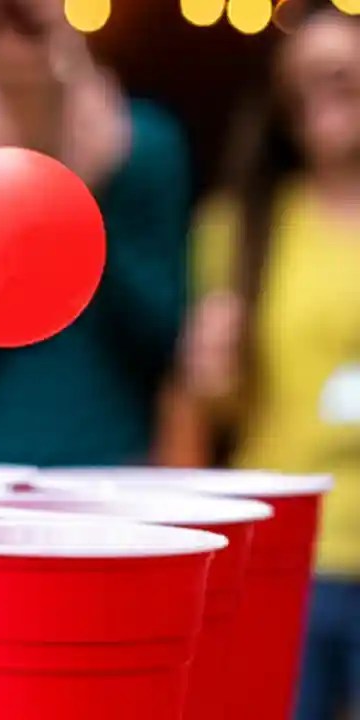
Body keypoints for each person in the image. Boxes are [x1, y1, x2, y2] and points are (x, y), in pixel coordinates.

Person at [0, 0, 191, 466]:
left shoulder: (141, 147)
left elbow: (160, 332)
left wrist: (86, 195)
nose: (16, 40)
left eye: (30, 21)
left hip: (112, 455)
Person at [177, 2, 360, 716]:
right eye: (305, 82)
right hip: (288, 552)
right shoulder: (236, 228)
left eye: (343, 76)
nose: (325, 96)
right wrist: (206, 374)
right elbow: (215, 408)